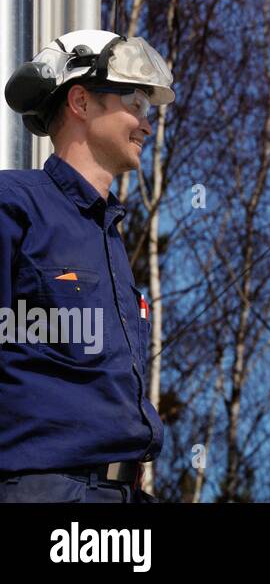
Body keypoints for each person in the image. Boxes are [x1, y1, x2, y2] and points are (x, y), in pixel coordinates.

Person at [0, 30, 175, 503]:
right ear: (80, 100)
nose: (146, 123)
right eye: (134, 103)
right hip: (45, 490)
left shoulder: (108, 235)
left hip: (119, 494)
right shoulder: (14, 204)